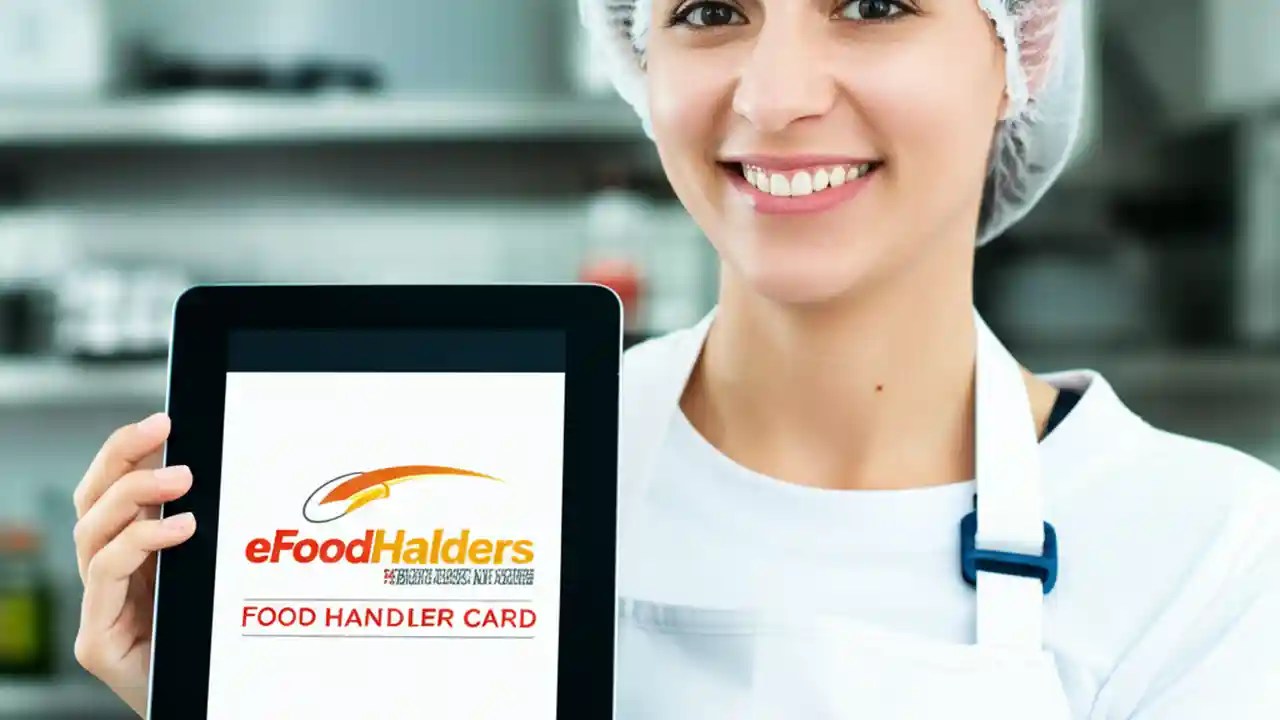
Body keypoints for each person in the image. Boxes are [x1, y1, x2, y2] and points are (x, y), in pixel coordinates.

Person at [72, 0, 1280, 717]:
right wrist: (227, 695)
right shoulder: (479, 469)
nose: (776, 93)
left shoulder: (1209, 554)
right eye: (708, 10)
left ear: (1025, 49)